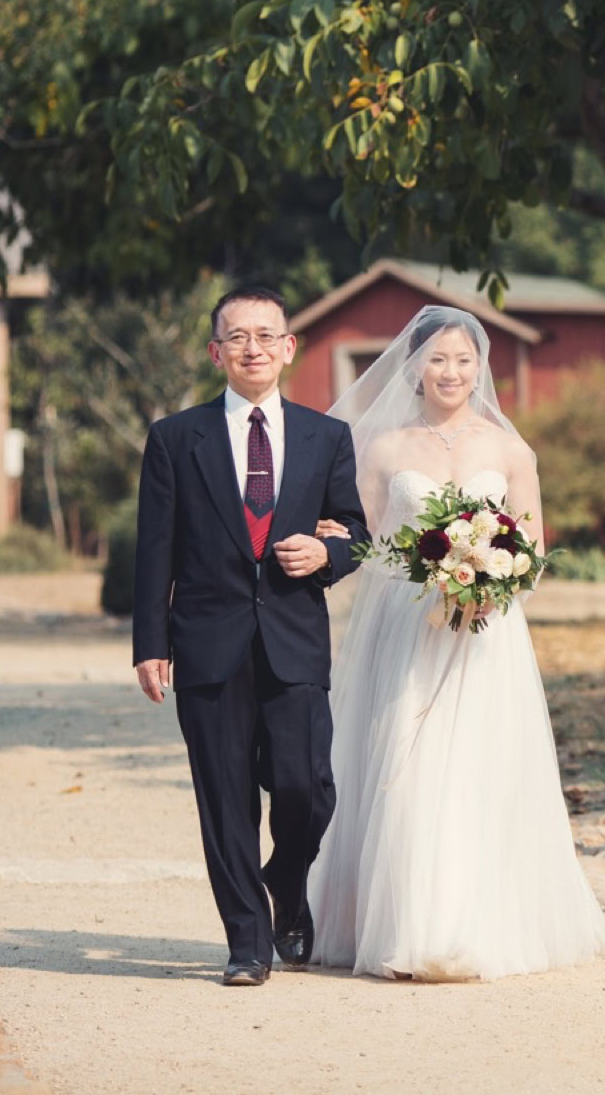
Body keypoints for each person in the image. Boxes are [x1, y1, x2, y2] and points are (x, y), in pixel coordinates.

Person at [307, 305, 605, 980]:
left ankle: (471, 924)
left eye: (464, 359)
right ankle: (402, 926)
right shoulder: (381, 447)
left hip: (485, 632)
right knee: (404, 764)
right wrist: (426, 574)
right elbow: (366, 539)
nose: (451, 371)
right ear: (414, 366)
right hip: (406, 625)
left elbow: (531, 545)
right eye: (438, 359)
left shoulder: (510, 449)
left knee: (477, 764)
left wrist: (489, 577)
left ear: (481, 367)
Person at [132, 284, 370, 986]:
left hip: (294, 638)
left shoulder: (329, 436)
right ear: (216, 352)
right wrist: (151, 643)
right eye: (237, 336)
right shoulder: (176, 438)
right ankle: (246, 941)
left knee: (307, 786)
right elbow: (156, 549)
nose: (253, 347)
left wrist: (330, 554)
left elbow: (356, 530)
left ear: (289, 347)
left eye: (267, 334)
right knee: (225, 798)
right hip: (207, 642)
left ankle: (287, 883)